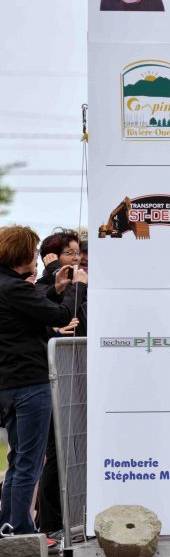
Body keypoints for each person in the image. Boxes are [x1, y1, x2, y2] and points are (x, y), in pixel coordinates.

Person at [0, 226, 80, 536]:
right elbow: (60, 316)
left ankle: (8, 522)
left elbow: (29, 307)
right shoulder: (16, 288)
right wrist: (75, 288)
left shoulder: (8, 286)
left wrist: (52, 288)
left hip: (6, 384)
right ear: (23, 255)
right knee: (30, 461)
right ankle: (19, 526)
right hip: (29, 383)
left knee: (17, 456)